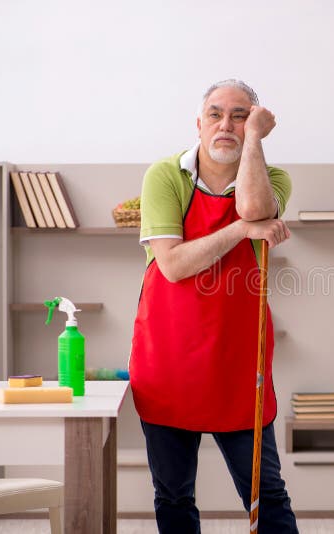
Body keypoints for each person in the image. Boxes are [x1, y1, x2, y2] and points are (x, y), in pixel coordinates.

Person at [129, 79, 297, 533]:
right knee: (174, 495)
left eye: (241, 116)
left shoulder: (272, 177)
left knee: (268, 496)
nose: (227, 124)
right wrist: (245, 231)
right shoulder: (165, 175)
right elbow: (173, 265)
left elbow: (256, 205)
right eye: (216, 114)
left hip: (239, 366)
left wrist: (256, 141)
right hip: (168, 359)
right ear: (198, 124)